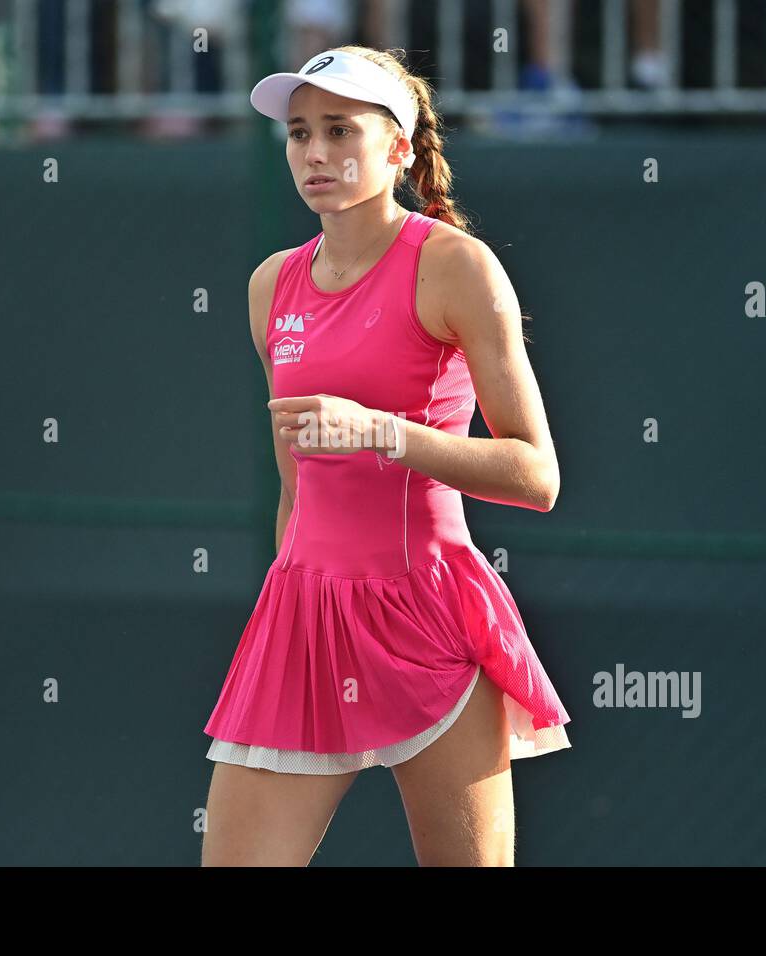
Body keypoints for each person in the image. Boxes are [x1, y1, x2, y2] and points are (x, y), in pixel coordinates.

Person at [201, 46, 571, 867]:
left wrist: (384, 433)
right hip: (300, 616)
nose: (315, 153)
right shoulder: (272, 284)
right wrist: (296, 594)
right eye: (299, 134)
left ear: (399, 148)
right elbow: (294, 488)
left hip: (428, 614)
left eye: (340, 129)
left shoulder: (457, 267)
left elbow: (536, 475)